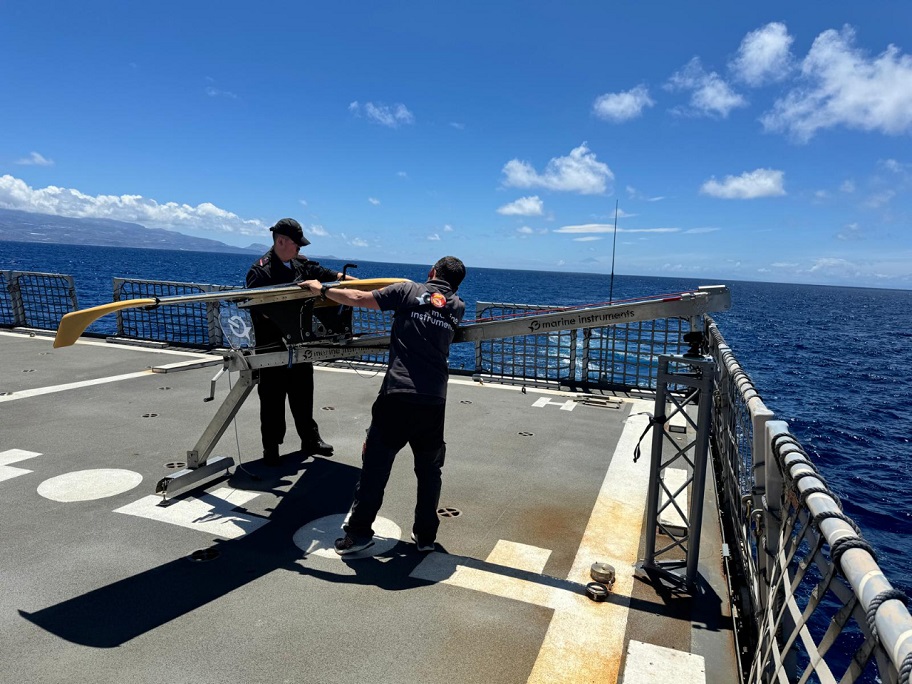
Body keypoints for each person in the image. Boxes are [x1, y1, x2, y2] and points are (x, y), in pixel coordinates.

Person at [300, 256, 466, 555]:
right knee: (429, 471)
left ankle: (358, 534)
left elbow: (357, 298)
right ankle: (426, 536)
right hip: (434, 399)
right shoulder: (457, 306)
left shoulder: (408, 290)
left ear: (431, 271)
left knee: (375, 466)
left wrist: (320, 289)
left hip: (398, 394)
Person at [246, 218, 354, 466]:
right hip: (272, 346)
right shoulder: (259, 272)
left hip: (300, 344)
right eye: (296, 244)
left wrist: (352, 281)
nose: (299, 249)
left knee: (303, 394)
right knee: (272, 400)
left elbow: (324, 274)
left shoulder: (299, 265)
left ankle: (310, 439)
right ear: (281, 241)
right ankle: (271, 448)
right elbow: (260, 310)